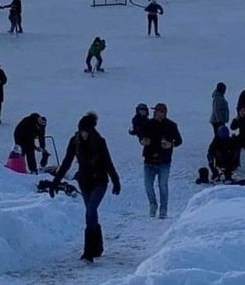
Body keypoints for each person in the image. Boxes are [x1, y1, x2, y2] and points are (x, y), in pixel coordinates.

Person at [50, 113, 121, 263]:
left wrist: (116, 180)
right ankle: (98, 247)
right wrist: (55, 182)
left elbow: (108, 162)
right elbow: (66, 162)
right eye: (81, 131)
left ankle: (88, 252)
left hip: (100, 181)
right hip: (84, 181)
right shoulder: (74, 142)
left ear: (91, 130)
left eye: (85, 131)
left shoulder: (100, 142)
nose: (83, 134)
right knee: (91, 213)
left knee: (90, 211)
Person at [138, 103, 181, 219]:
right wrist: (143, 141)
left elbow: (179, 140)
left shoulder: (171, 125)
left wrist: (170, 144)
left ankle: (163, 208)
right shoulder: (148, 124)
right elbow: (140, 136)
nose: (160, 114)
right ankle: (153, 204)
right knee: (148, 185)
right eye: (158, 112)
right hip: (149, 160)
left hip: (164, 160)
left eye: (162, 112)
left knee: (163, 185)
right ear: (155, 112)